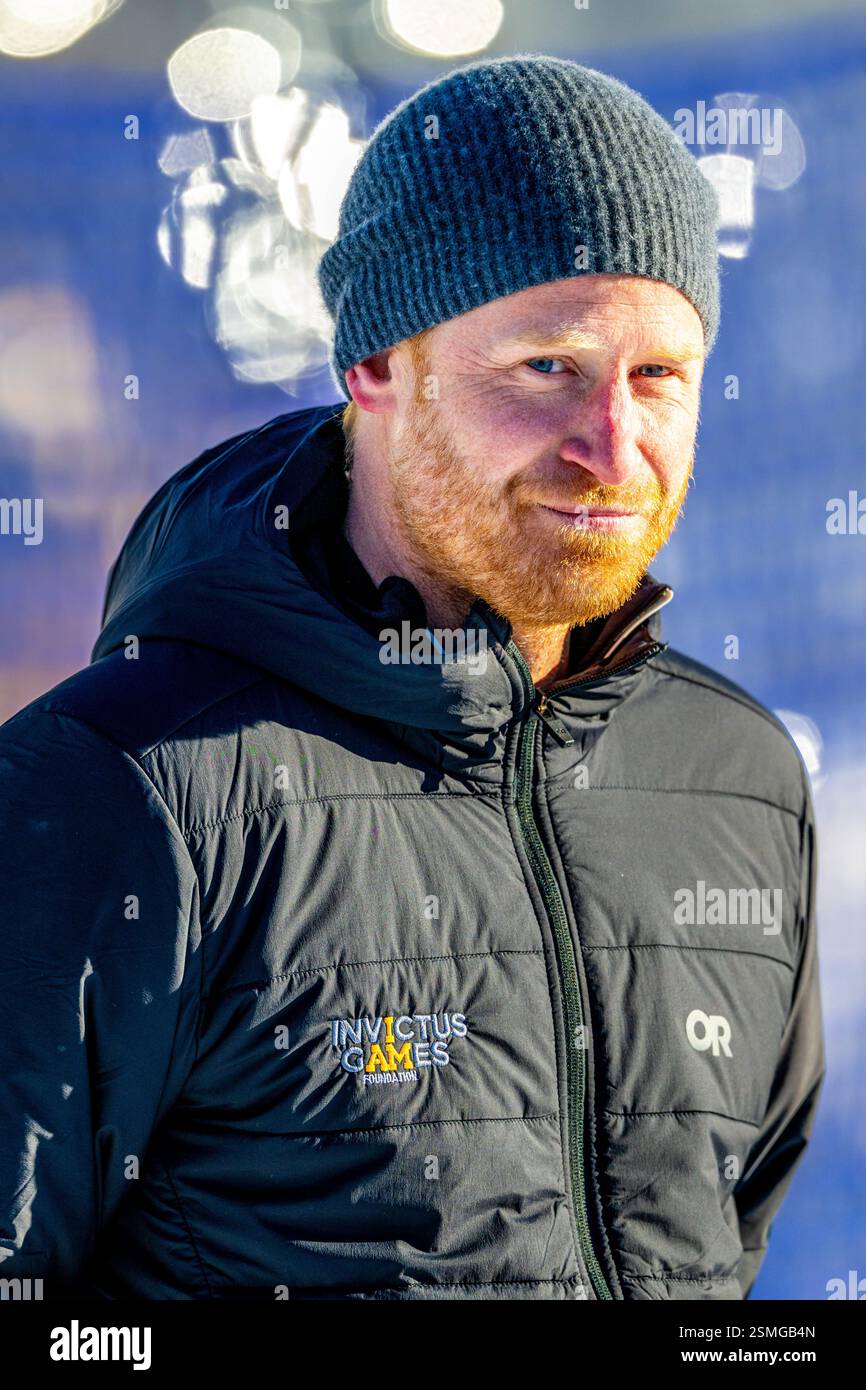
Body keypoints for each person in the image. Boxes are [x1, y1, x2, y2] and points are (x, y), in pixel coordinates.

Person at [0, 54, 824, 1301]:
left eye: (657, 376)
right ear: (373, 368)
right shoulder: (123, 789)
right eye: (546, 365)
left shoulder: (737, 784)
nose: (614, 449)